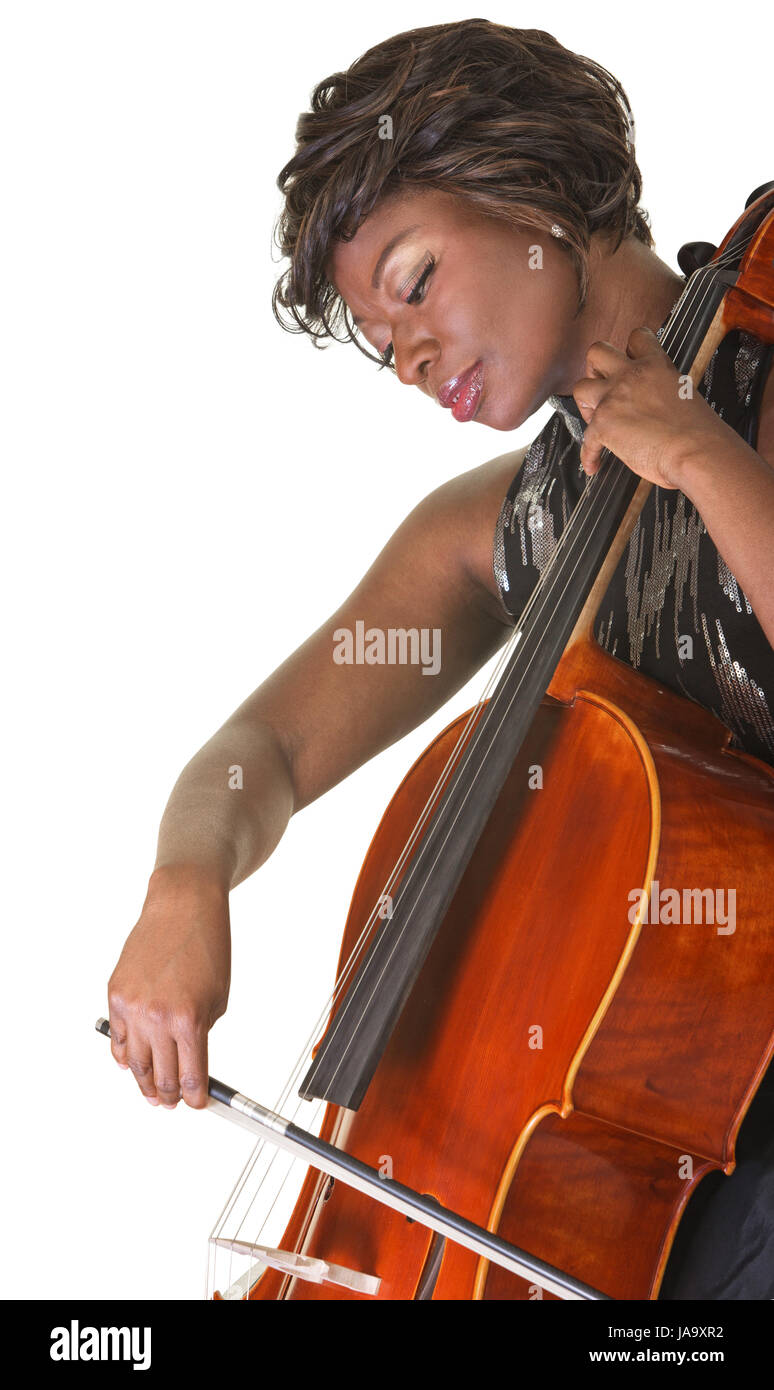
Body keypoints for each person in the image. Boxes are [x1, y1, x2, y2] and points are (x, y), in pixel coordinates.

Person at [107, 20, 774, 1297]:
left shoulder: (756, 405)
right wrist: (187, 881)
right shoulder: (501, 530)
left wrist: (702, 457)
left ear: (533, 195)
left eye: (415, 281)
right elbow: (262, 752)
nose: (408, 356)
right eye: (379, 336)